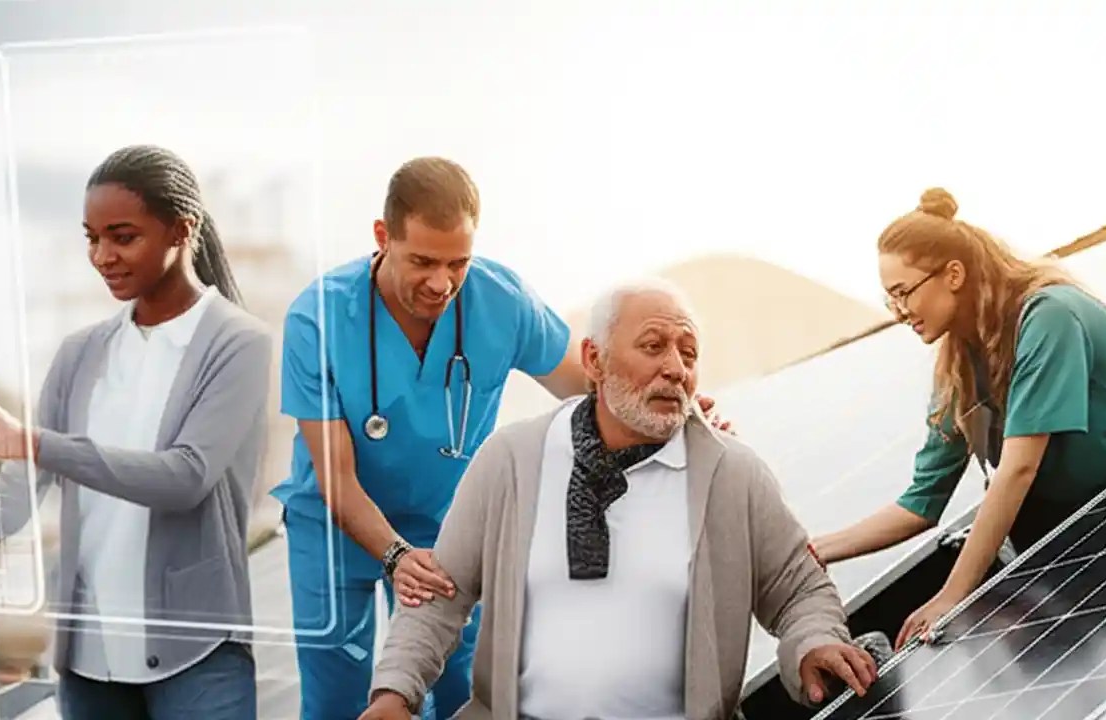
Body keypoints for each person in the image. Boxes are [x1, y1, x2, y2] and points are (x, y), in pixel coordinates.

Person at [276, 157, 729, 720]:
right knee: (335, 695)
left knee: (461, 683)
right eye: (422, 261)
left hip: (446, 519)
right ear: (382, 237)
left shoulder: (499, 300)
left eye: (457, 263)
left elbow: (589, 385)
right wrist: (394, 555)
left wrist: (672, 409)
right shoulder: (317, 318)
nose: (441, 283)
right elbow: (335, 477)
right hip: (334, 525)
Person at [357, 279, 875, 720]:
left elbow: (799, 589)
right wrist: (394, 693)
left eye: (689, 353)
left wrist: (814, 641)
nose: (675, 368)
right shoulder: (510, 461)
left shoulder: (733, 474)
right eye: (653, 346)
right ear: (594, 359)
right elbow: (440, 595)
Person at [0, 144, 271, 719]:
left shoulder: (238, 343)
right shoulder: (80, 353)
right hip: (88, 662)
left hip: (198, 658)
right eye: (92, 238)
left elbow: (185, 477)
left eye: (123, 237)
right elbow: (19, 491)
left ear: (181, 230)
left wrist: (37, 443)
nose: (102, 256)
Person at [810, 188, 1106, 649]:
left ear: (953, 274)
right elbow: (920, 505)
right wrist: (818, 550)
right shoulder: (958, 369)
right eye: (890, 299)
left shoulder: (1048, 317)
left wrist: (951, 597)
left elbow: (1018, 468)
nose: (900, 312)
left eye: (903, 293)